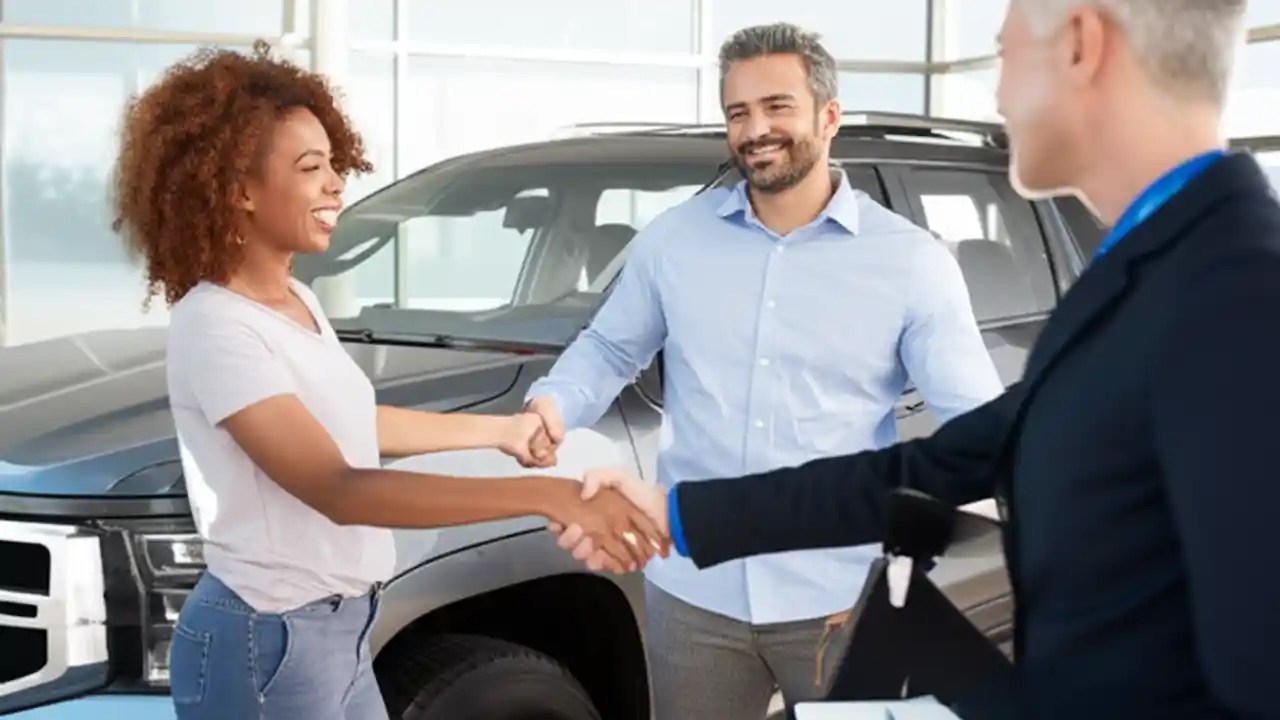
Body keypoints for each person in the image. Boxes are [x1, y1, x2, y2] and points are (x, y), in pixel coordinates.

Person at [559, 1, 1280, 718]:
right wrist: (680, 513)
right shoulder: (1139, 273)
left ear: (1083, 43)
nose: (996, 93)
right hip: (701, 590)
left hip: (832, 599)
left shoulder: (1239, 293)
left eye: (1004, 53)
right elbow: (934, 468)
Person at [108, 42, 664, 720]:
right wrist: (553, 497)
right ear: (238, 190)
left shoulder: (296, 302)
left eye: (333, 163)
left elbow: (357, 424)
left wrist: (504, 433)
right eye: (310, 168)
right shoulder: (216, 327)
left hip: (340, 631)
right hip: (267, 643)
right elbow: (339, 489)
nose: (337, 183)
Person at [526, 21, 1004, 720]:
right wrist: (553, 407)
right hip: (695, 593)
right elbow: (609, 348)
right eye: (738, 113)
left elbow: (978, 428)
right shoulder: (674, 241)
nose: (756, 130)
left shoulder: (910, 262)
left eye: (777, 106)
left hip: (838, 597)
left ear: (828, 116)